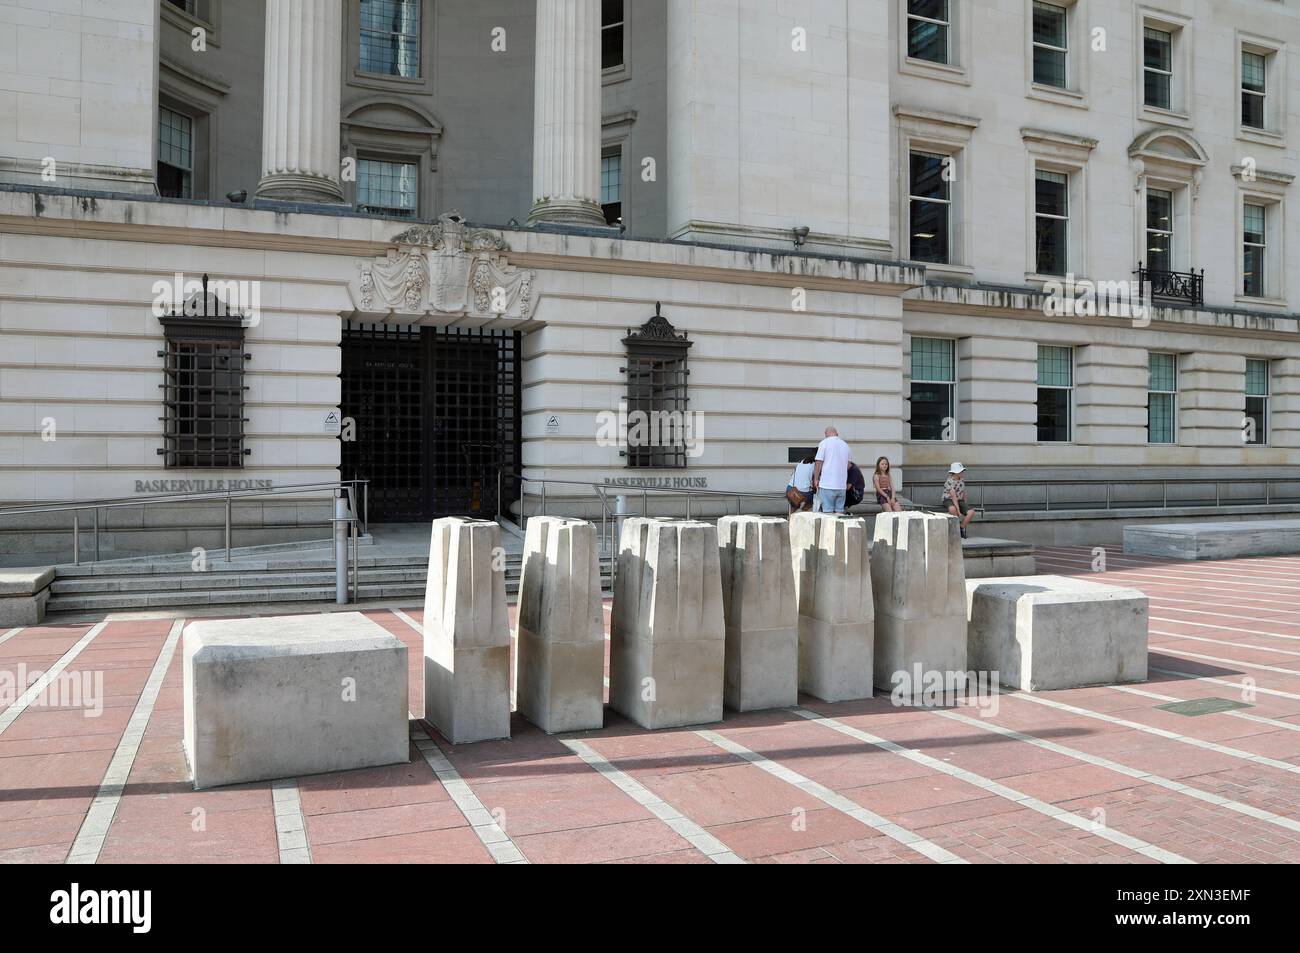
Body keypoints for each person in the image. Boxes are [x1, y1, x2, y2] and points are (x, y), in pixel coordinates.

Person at [812, 426, 851, 514]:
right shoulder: (845, 445)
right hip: (841, 485)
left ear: (826, 434)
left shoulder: (824, 443)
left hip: (827, 484)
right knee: (839, 512)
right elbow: (848, 465)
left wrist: (816, 479)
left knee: (827, 513)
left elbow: (818, 462)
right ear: (837, 434)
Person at [943, 461, 975, 539]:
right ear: (955, 472)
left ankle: (961, 528)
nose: (962, 472)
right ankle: (955, 530)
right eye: (960, 471)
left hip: (959, 500)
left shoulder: (961, 479)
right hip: (949, 499)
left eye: (962, 471)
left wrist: (965, 505)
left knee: (971, 512)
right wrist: (959, 511)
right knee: (953, 509)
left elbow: (963, 492)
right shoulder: (949, 481)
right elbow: (953, 497)